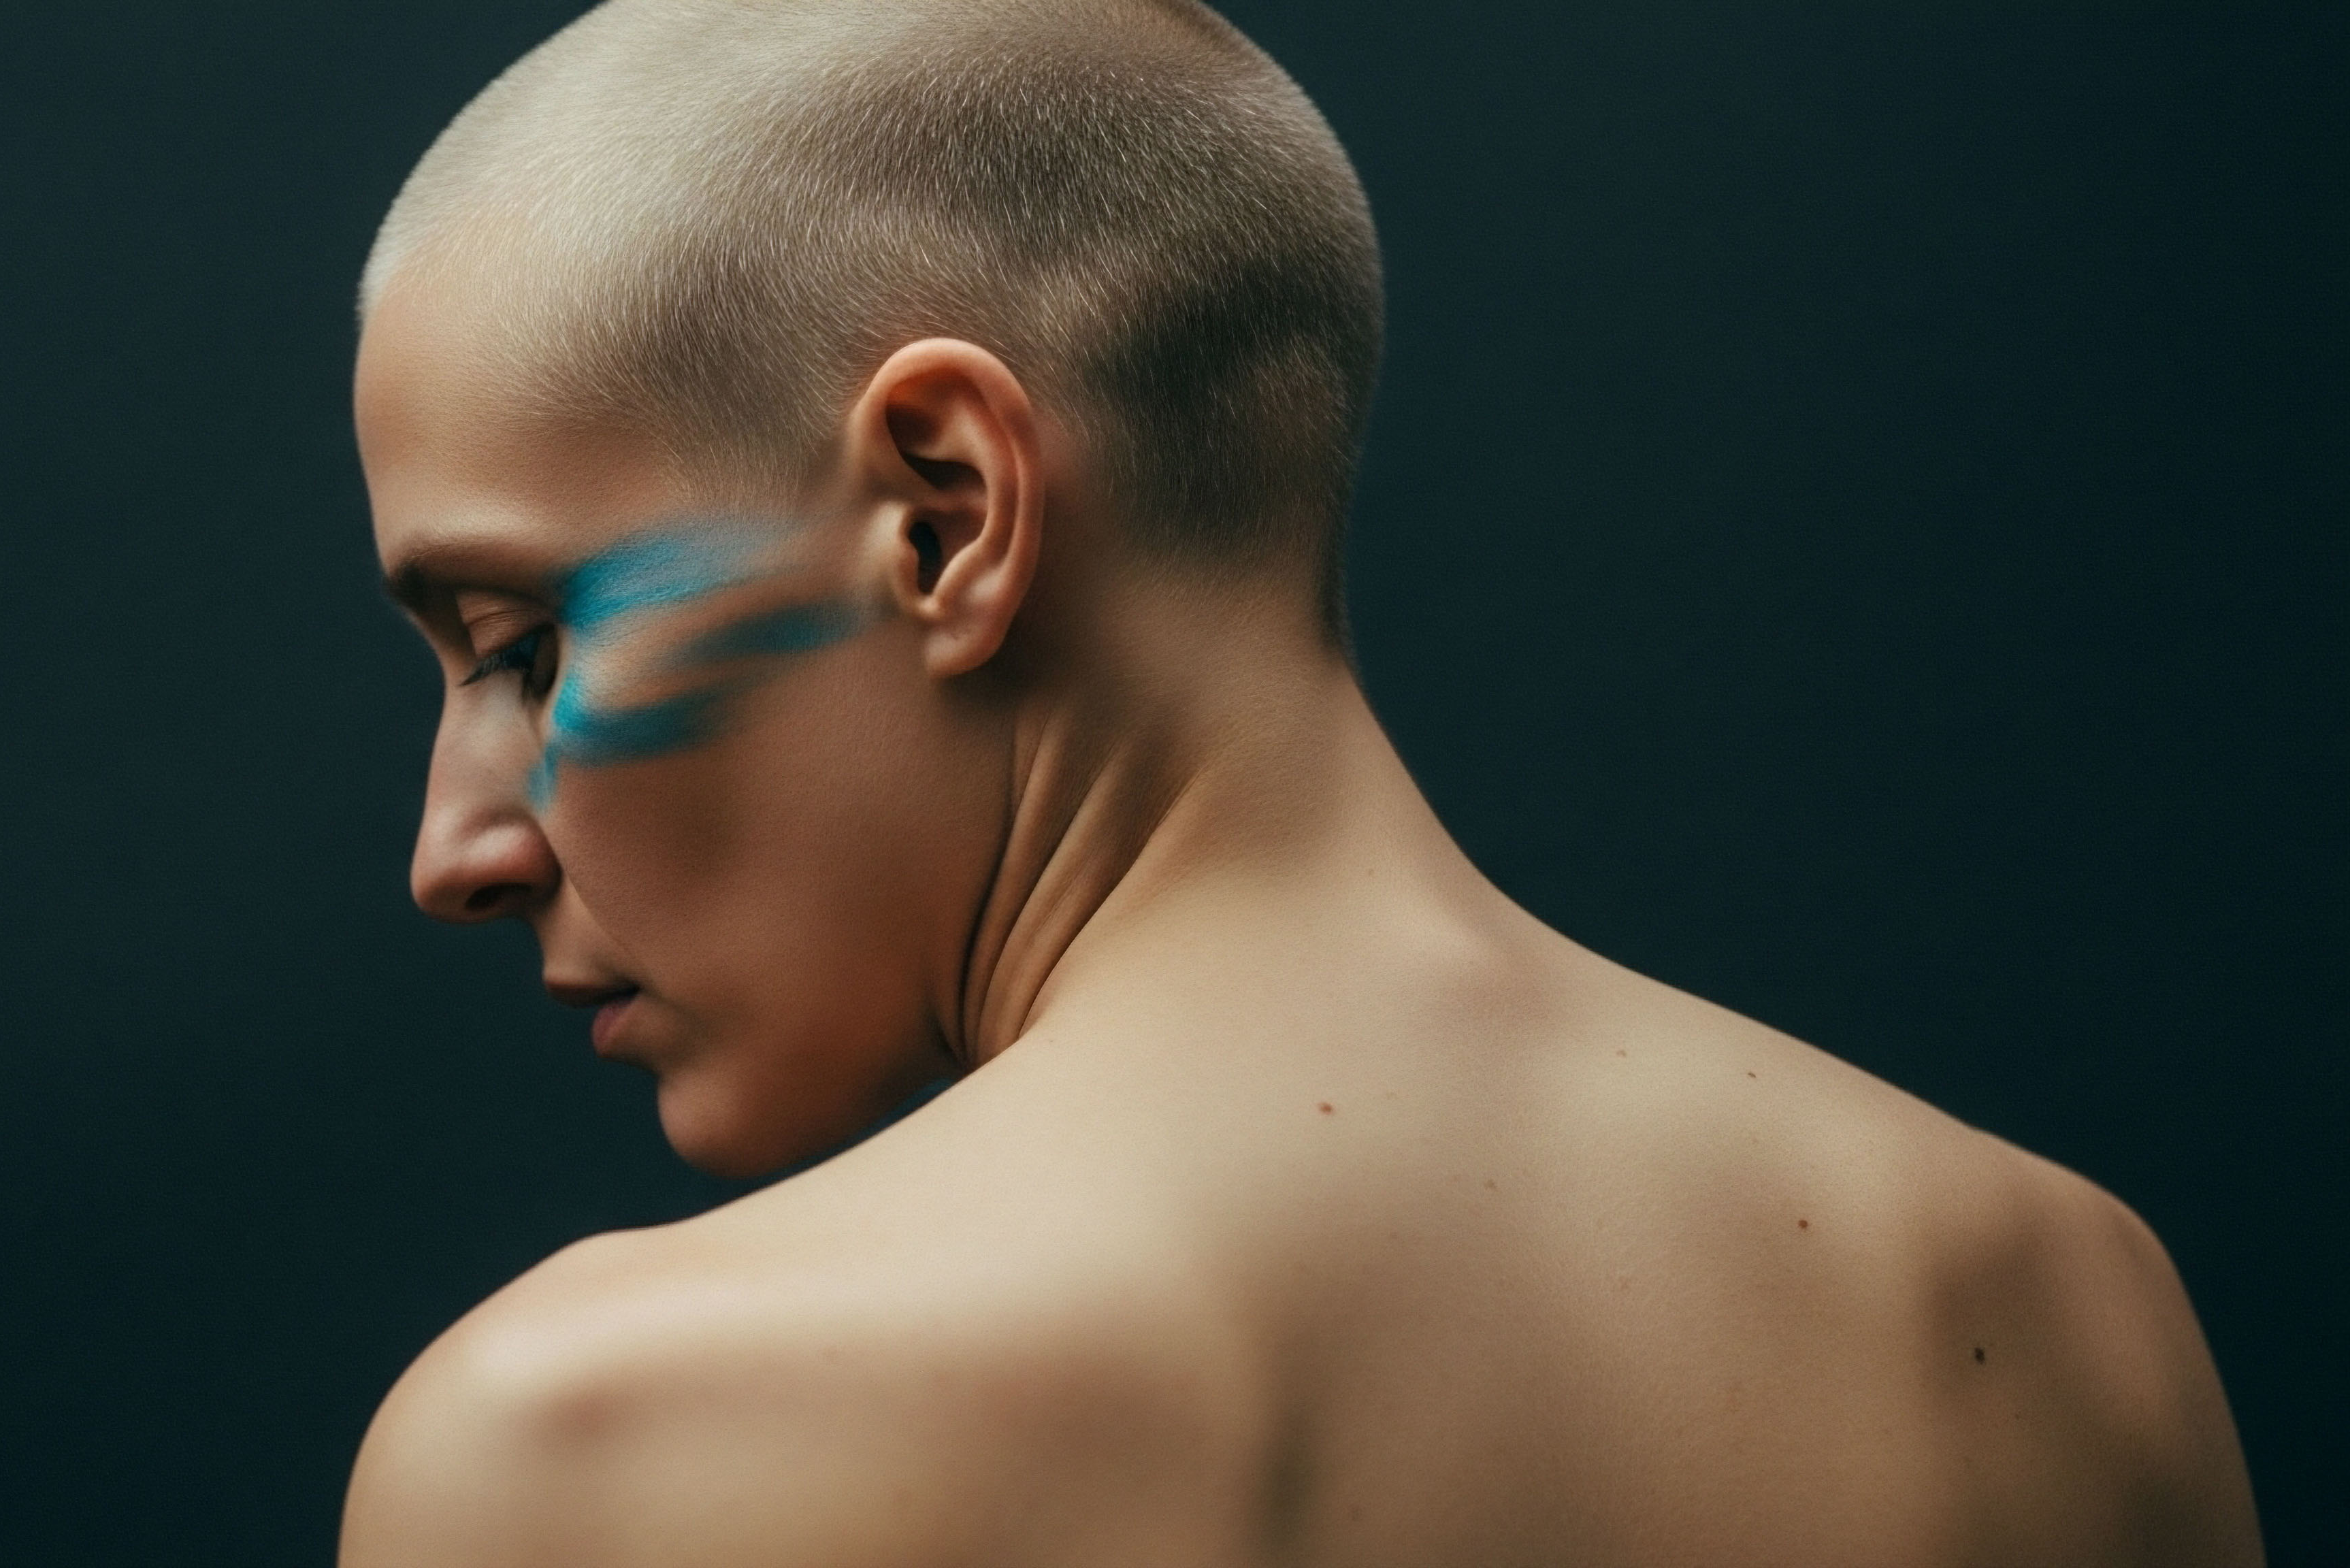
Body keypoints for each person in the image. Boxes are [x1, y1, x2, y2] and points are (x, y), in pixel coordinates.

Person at [338, 1, 2262, 1562]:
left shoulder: (597, 1449)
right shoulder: (2057, 1316)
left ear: (945, 517)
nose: (457, 852)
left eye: (524, 646)